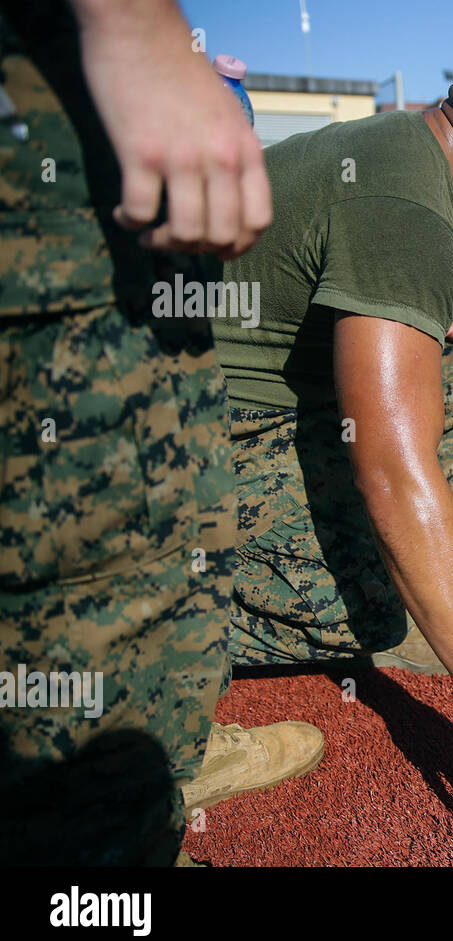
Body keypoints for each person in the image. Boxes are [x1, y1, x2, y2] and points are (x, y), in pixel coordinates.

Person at [214, 16, 453, 836]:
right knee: (367, 616)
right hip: (125, 462)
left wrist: (402, 327)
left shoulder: (401, 153)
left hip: (185, 412)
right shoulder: (409, 210)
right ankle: (172, 669)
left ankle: (372, 586)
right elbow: (391, 467)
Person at [0, 0, 319, 866]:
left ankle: (160, 768)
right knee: (96, 560)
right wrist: (137, 24)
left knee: (180, 510)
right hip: (46, 123)